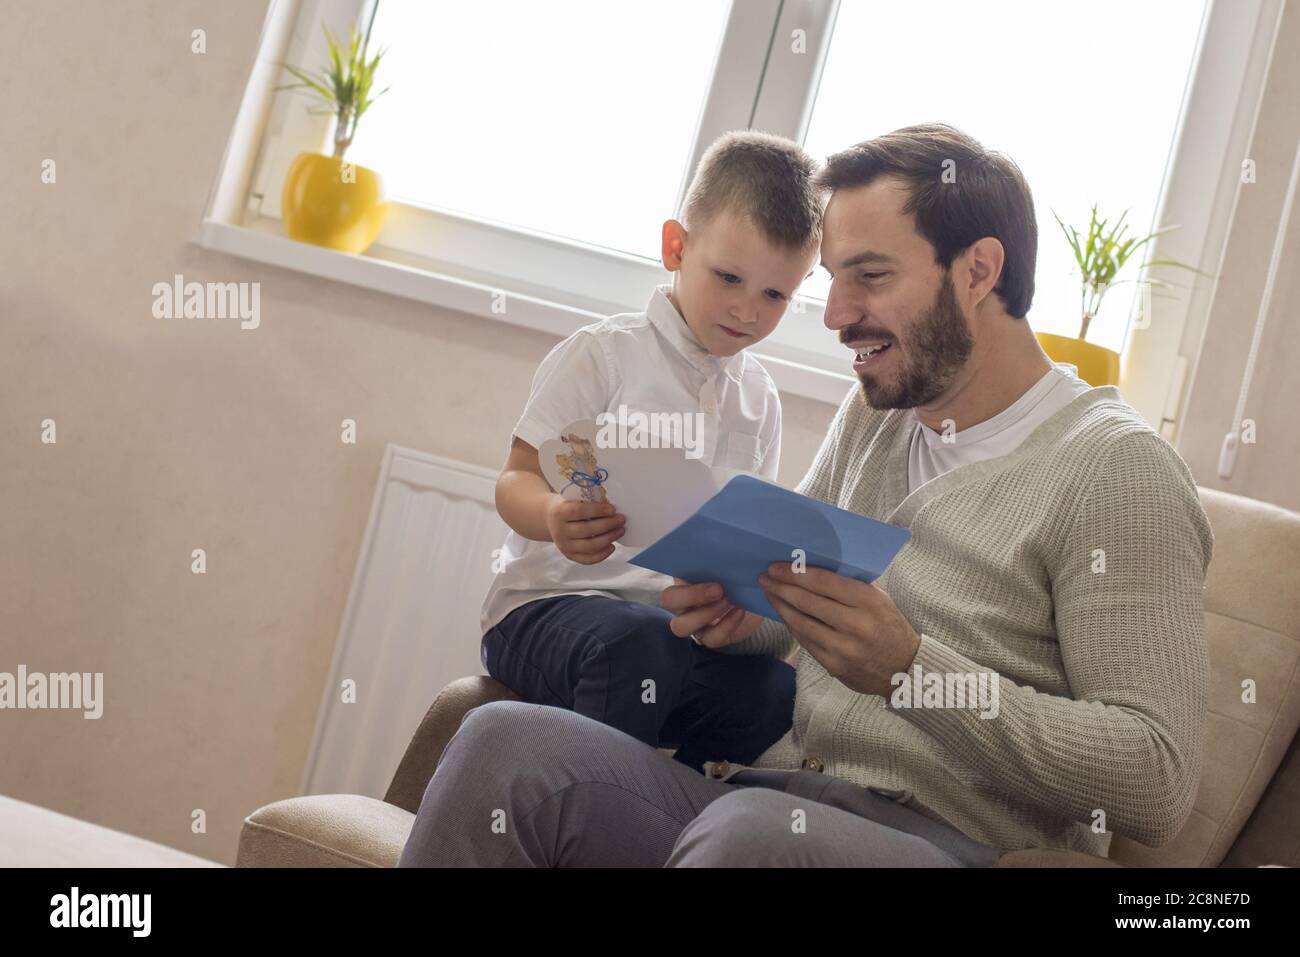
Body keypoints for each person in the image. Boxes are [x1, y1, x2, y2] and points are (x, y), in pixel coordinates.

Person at [400, 123, 1212, 867]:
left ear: (979, 270)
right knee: (503, 746)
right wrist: (745, 616)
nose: (837, 318)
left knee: (746, 841)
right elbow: (790, 631)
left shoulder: (1116, 471)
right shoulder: (878, 416)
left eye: (871, 278)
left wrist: (913, 671)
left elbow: (1155, 778)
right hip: (764, 797)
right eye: (831, 282)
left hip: (944, 841)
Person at [478, 131, 824, 773]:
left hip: (666, 636)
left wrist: (739, 599)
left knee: (775, 695)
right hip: (546, 615)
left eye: (776, 295)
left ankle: (665, 822)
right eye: (729, 277)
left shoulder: (759, 400)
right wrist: (554, 515)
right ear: (676, 247)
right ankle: (588, 821)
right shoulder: (604, 355)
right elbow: (514, 480)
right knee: (635, 646)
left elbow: (740, 542)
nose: (748, 310)